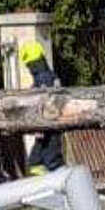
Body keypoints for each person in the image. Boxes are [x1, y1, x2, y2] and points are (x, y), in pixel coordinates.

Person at [18, 39, 66, 175]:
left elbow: (42, 97)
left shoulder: (43, 78)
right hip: (50, 121)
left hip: (48, 121)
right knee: (46, 150)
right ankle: (49, 170)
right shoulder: (50, 75)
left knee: (46, 150)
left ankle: (44, 170)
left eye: (28, 65)